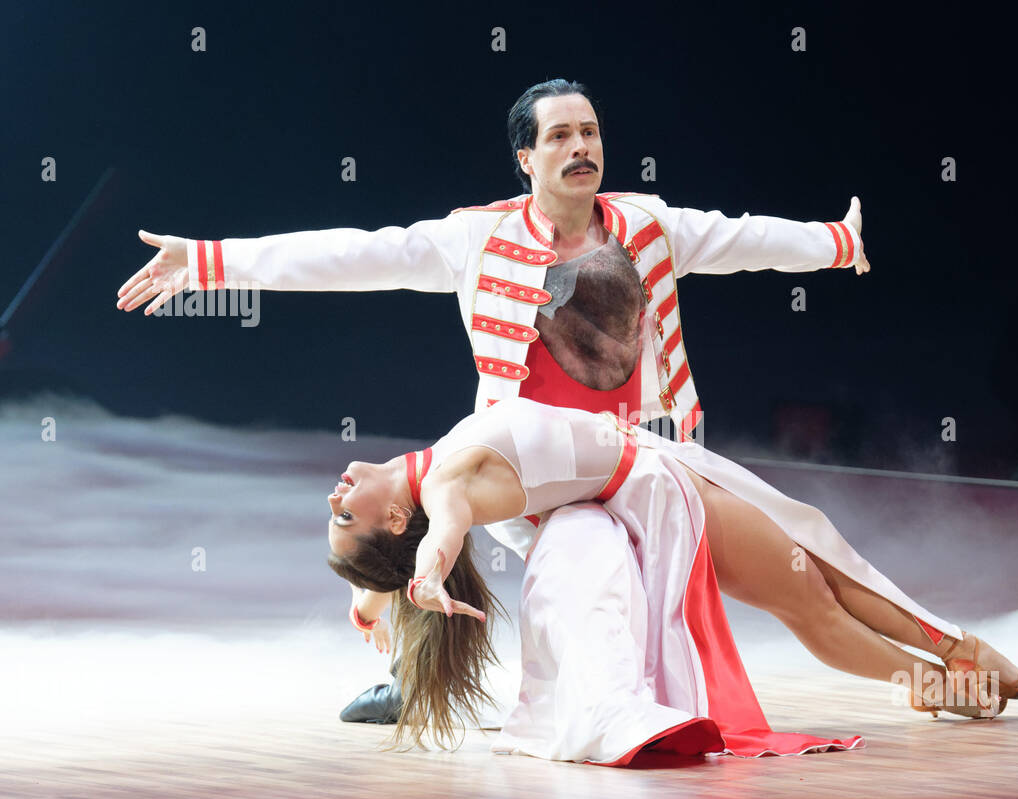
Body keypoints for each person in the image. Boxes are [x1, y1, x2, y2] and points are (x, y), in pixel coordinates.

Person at [114, 78, 874, 724]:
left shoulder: (647, 224)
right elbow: (355, 252)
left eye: (590, 132)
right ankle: (427, 673)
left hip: (645, 459)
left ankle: (628, 700)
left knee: (732, 574)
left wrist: (837, 243)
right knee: (427, 523)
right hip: (534, 477)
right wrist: (214, 262)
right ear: (526, 158)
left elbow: (743, 240)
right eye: (561, 136)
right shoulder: (476, 239)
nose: (582, 147)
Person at [324, 397, 1018, 766]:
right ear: (392, 517)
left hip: (654, 468)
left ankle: (954, 671)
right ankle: (958, 665)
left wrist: (372, 592)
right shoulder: (448, 482)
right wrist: (424, 572)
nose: (334, 494)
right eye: (342, 516)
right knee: (811, 594)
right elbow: (442, 531)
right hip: (659, 496)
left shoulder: (444, 464)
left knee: (814, 553)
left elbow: (423, 536)